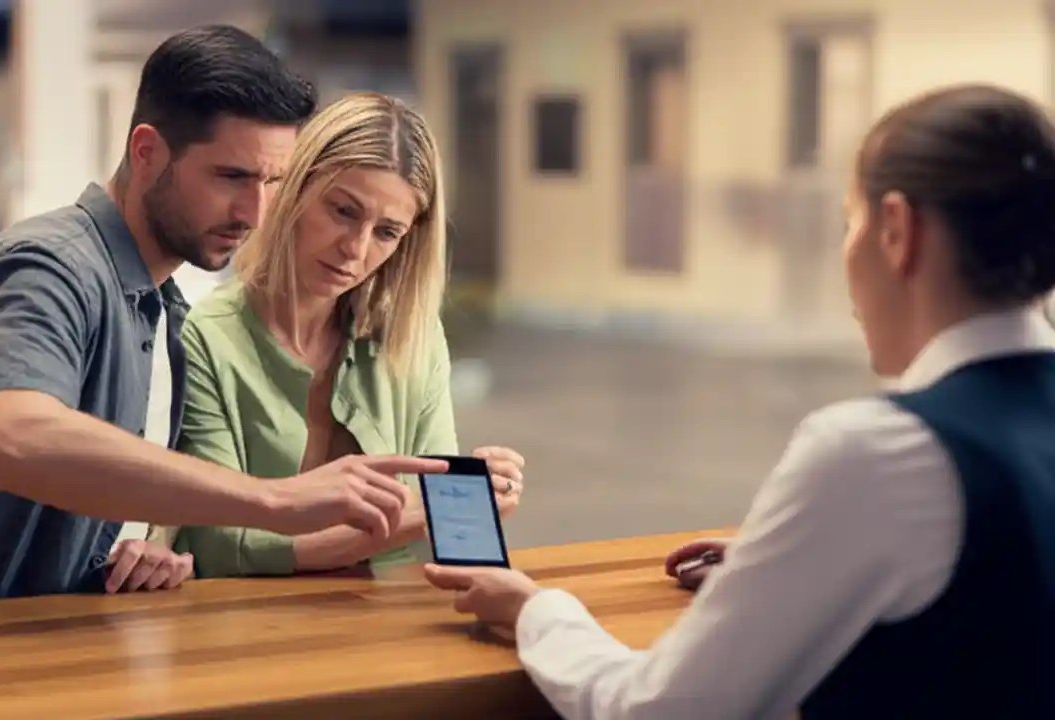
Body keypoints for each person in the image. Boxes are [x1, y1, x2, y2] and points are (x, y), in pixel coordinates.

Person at [424, 83, 1055, 719]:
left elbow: (660, 712)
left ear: (897, 229)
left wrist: (537, 610)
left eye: (850, 220)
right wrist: (792, 565)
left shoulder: (878, 452)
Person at [0, 25, 446, 613]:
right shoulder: (45, 266)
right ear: (147, 152)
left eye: (272, 182)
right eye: (231, 176)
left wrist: (132, 555)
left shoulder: (160, 311)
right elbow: (16, 439)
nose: (255, 212)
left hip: (39, 648)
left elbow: (79, 500)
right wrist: (274, 500)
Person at [147, 93, 526, 578]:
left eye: (387, 232)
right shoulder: (205, 338)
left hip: (390, 622)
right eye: (344, 211)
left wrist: (487, 499)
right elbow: (219, 546)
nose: (355, 249)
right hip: (250, 629)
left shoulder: (414, 336)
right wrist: (428, 516)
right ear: (295, 189)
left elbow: (447, 530)